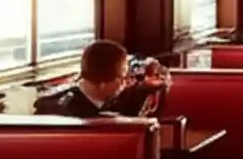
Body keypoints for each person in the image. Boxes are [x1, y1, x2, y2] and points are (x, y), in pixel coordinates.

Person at [35, 40, 170, 118]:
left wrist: (144, 90)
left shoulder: (100, 97)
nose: (126, 83)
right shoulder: (68, 113)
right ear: (102, 84)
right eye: (122, 78)